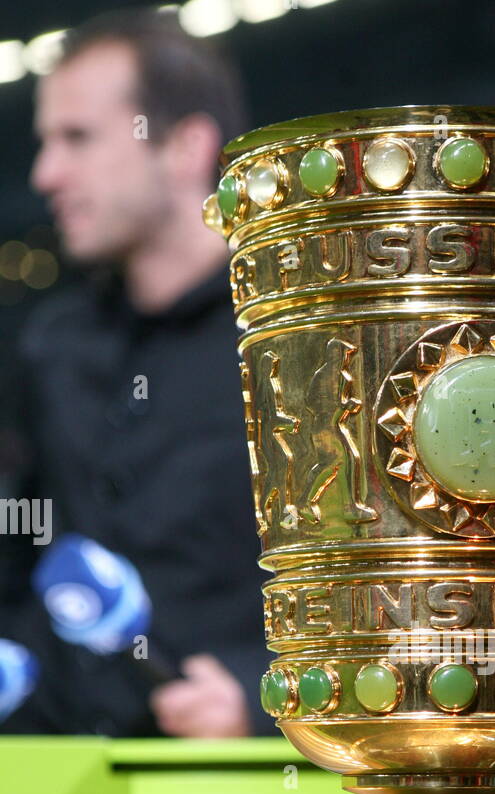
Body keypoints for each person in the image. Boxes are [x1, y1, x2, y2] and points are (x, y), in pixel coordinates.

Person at [0, 9, 268, 737]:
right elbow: (27, 560)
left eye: (77, 139)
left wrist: (259, 697)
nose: (45, 174)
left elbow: (391, 589)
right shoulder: (53, 344)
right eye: (45, 142)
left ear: (184, 146)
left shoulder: (285, 341)